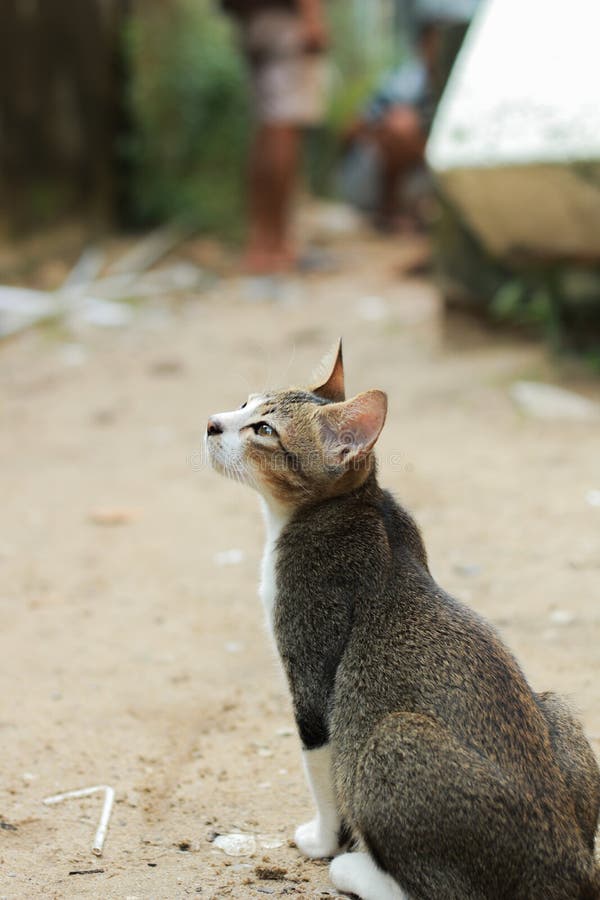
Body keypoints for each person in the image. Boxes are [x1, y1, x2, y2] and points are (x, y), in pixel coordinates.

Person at [221, 0, 330, 274]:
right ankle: (278, 245)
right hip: (286, 24)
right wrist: (312, 16)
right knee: (284, 128)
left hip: (257, 23)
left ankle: (262, 242)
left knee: (267, 127)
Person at [339, 21, 441, 233]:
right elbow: (350, 128)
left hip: (427, 180)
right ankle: (390, 212)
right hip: (376, 177)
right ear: (422, 46)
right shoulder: (404, 84)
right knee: (400, 125)